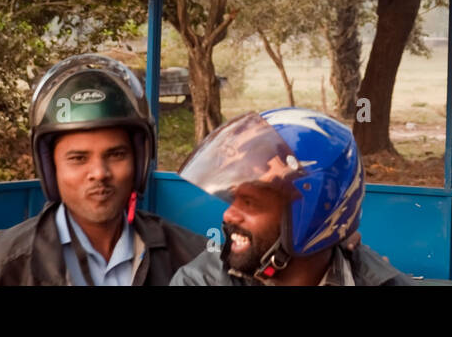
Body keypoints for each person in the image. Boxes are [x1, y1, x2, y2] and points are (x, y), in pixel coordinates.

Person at [0, 53, 205, 285]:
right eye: (78, 158)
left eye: (116, 154)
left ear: (139, 162)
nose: (99, 173)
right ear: (51, 168)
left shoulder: (193, 257)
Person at [170, 107, 410, 285]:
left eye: (250, 202)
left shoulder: (381, 282)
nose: (229, 214)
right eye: (234, 198)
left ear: (312, 216)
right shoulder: (201, 281)